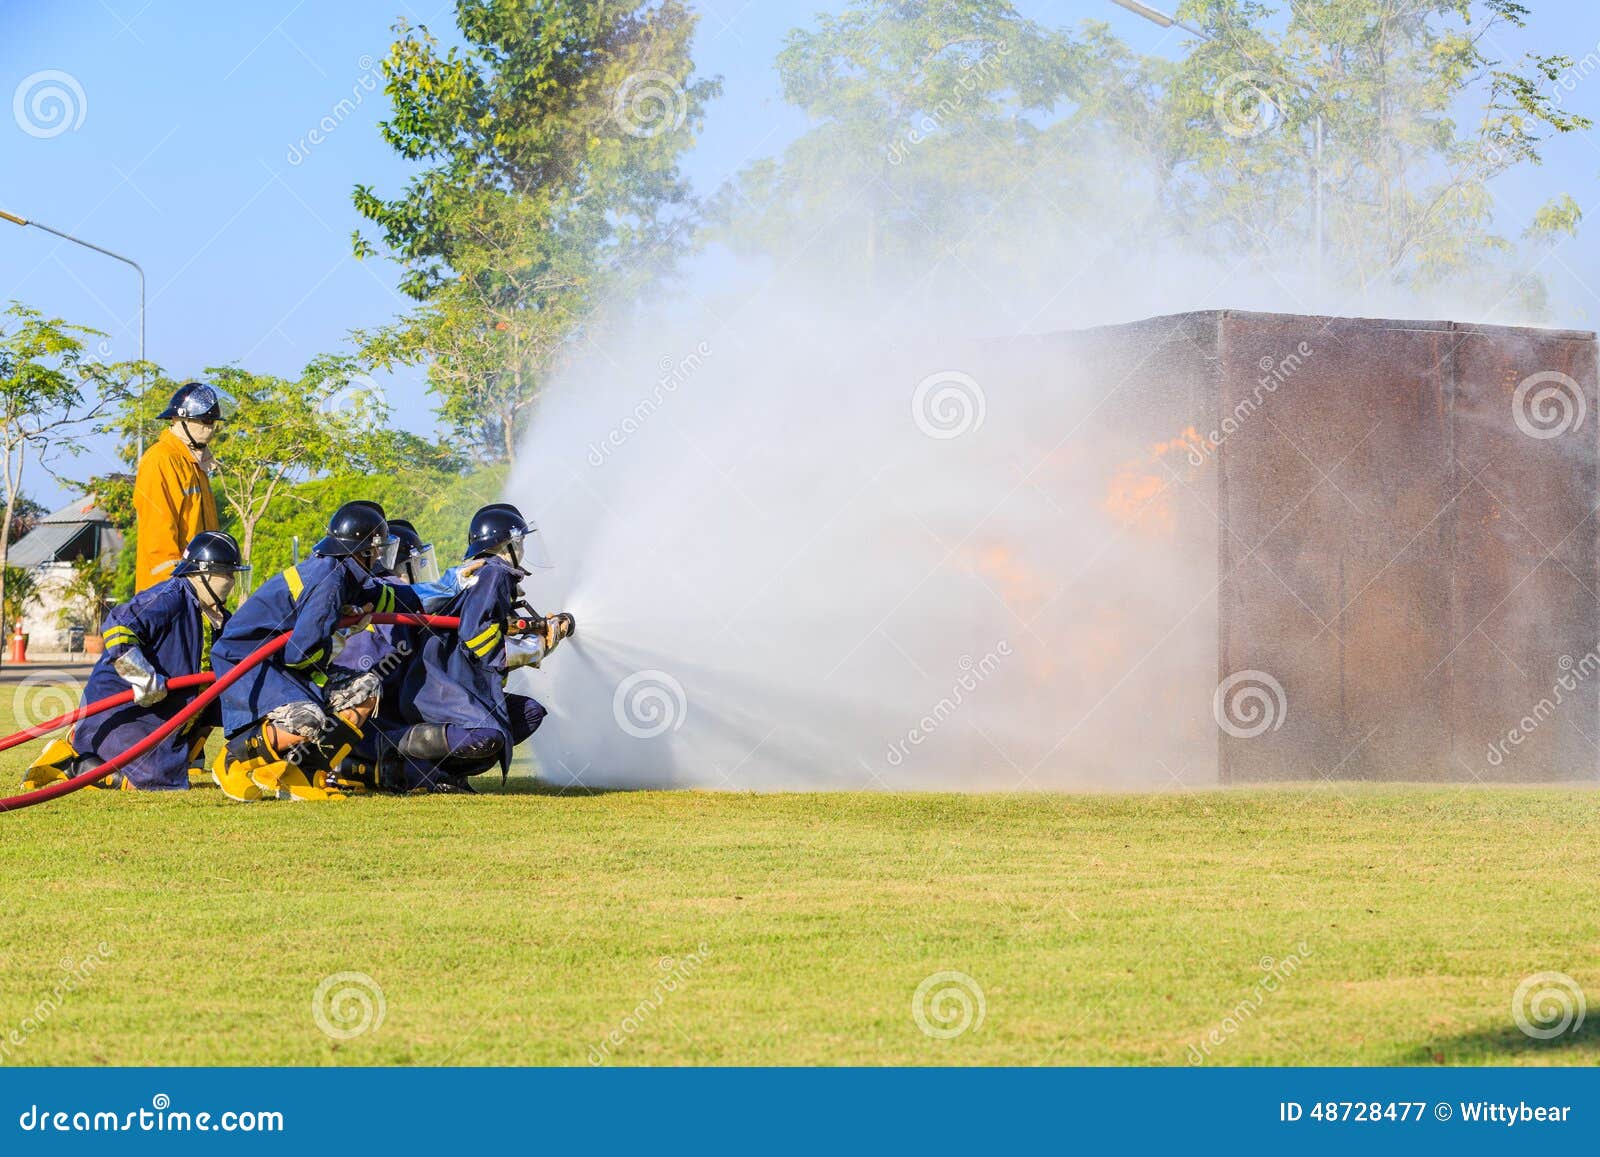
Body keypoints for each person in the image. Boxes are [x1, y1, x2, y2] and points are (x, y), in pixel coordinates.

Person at [209, 502, 423, 802]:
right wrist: (343, 633)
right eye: (374, 549)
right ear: (361, 549)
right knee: (308, 718)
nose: (378, 555)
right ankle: (233, 761)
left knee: (365, 688)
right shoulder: (330, 580)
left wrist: (453, 595)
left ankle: (303, 772)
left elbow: (390, 597)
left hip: (281, 661)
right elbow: (302, 653)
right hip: (248, 660)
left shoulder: (345, 572)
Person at [20, 532, 249, 792]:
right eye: (227, 574)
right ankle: (72, 763)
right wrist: (141, 675)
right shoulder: (168, 597)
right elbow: (118, 626)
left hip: (161, 709)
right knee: (158, 782)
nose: (231, 581)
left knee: (223, 700)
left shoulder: (216, 615)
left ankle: (182, 755)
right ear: (202, 574)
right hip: (121, 708)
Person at [389, 503, 573, 792]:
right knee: (487, 738)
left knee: (529, 713)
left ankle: (445, 775)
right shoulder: (494, 574)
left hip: (460, 686)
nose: (523, 549)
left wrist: (537, 631)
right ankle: (394, 752)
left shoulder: (486, 575)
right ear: (507, 544)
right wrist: (540, 645)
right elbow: (478, 637)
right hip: (447, 689)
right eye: (519, 542)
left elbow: (488, 626)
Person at [133, 382, 222, 591]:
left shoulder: (195, 464)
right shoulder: (160, 460)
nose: (209, 427)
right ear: (180, 420)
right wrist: (173, 591)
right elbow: (158, 542)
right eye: (205, 420)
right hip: (168, 591)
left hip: (199, 586)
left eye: (213, 421)